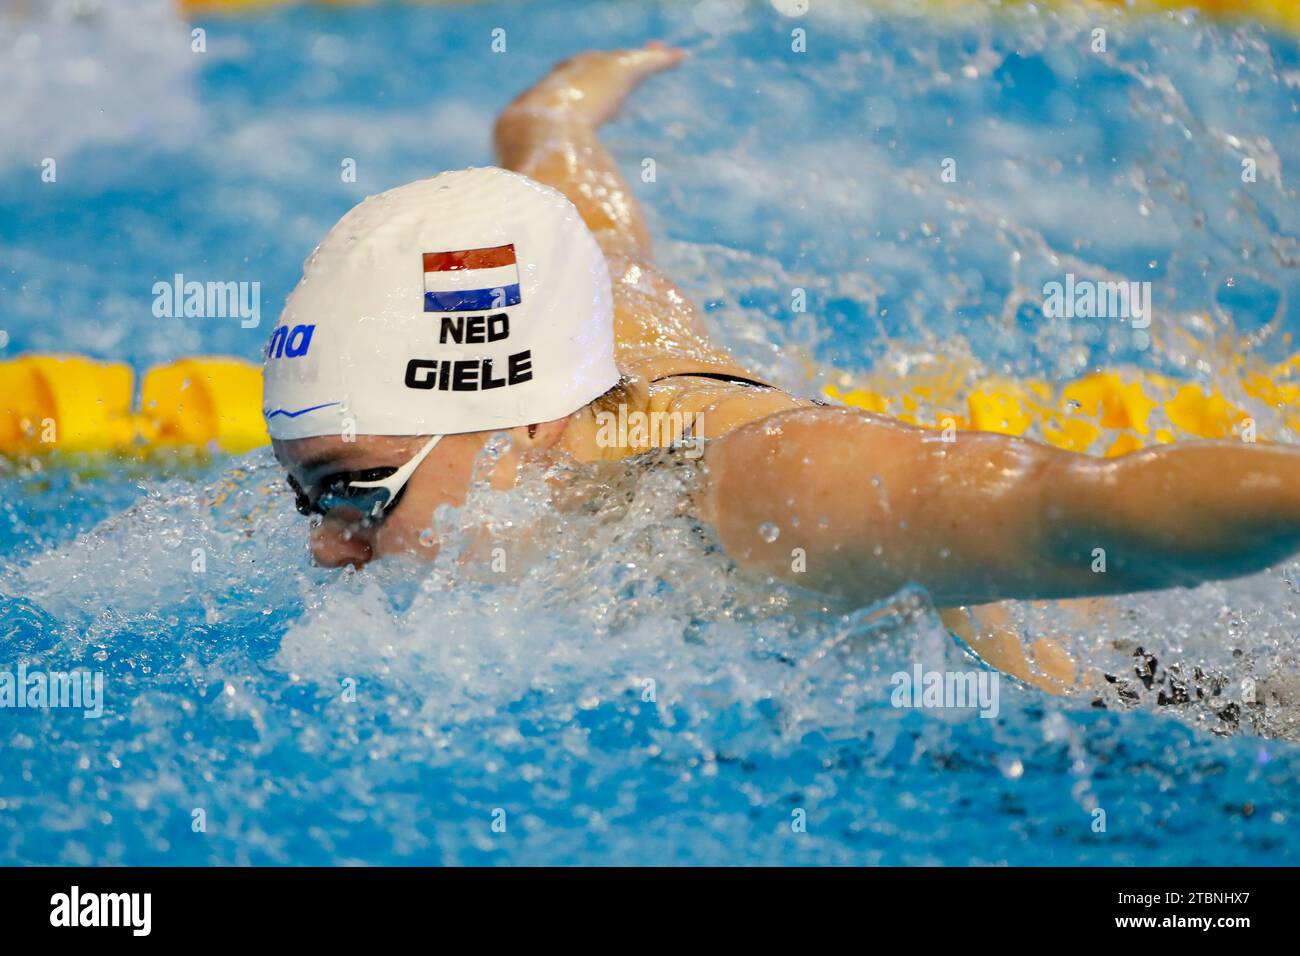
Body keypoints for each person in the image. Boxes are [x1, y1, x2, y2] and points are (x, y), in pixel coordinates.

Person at [264, 42, 1300, 694]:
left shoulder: (754, 491)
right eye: (305, 491)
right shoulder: (581, 325)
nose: (325, 548)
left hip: (1166, 702)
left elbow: (1054, 506)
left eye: (353, 491)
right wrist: (554, 117)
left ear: (529, 418)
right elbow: (582, 218)